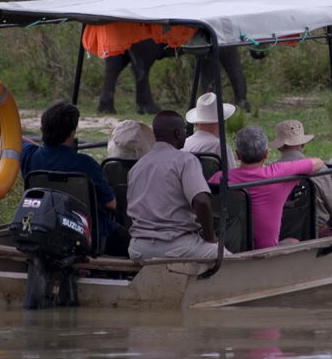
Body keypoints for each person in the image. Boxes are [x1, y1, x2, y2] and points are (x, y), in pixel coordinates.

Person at [20, 101, 130, 257]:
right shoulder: (86, 164)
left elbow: (18, 138)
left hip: (45, 228)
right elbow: (111, 204)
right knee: (130, 244)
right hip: (90, 235)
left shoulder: (29, 156)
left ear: (42, 129)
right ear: (71, 133)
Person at [126, 111, 228, 260]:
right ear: (178, 133)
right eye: (185, 131)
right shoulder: (186, 160)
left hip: (138, 248)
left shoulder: (137, 166)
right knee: (225, 257)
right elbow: (201, 201)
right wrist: (210, 236)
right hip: (176, 245)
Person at [213, 126, 324, 250]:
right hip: (266, 253)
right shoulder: (278, 174)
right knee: (293, 241)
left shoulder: (218, 178)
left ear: (237, 155)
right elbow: (318, 163)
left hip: (229, 249)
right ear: (266, 154)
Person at [270, 119, 332, 234]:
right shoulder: (320, 170)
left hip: (279, 233)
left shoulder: (269, 172)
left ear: (279, 147)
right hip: (315, 232)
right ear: (303, 144)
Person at [183, 92, 237, 169]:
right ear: (222, 121)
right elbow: (232, 175)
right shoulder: (220, 147)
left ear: (196, 123)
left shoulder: (184, 144)